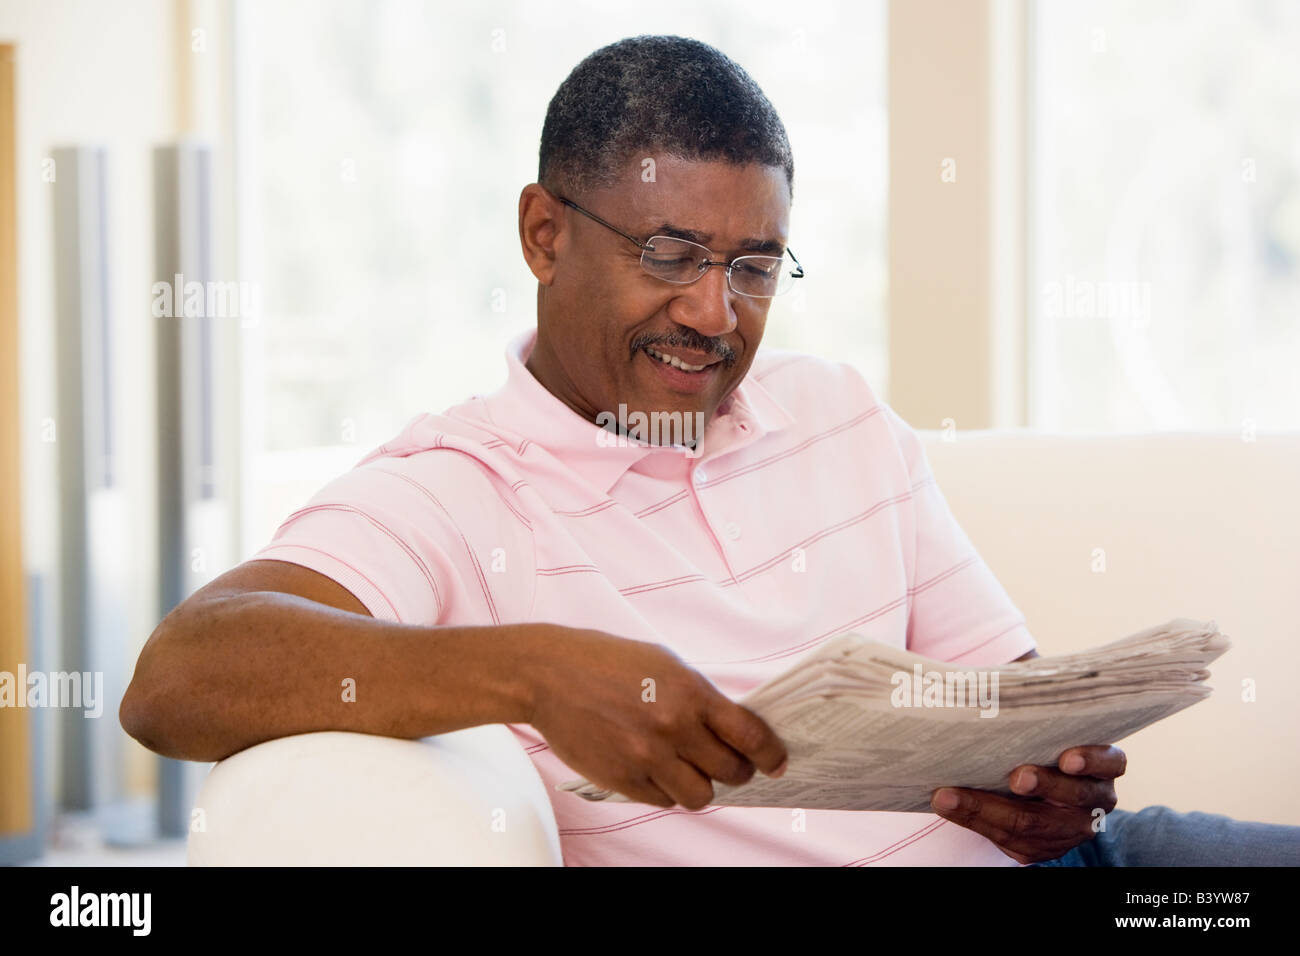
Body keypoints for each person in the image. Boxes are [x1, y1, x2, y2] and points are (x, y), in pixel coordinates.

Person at [120, 34, 1298, 867]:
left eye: (753, 266)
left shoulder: (836, 410)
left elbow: (999, 696)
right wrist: (534, 670)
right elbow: (177, 674)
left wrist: (1045, 789)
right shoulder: (454, 487)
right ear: (543, 233)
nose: (714, 313)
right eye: (672, 253)